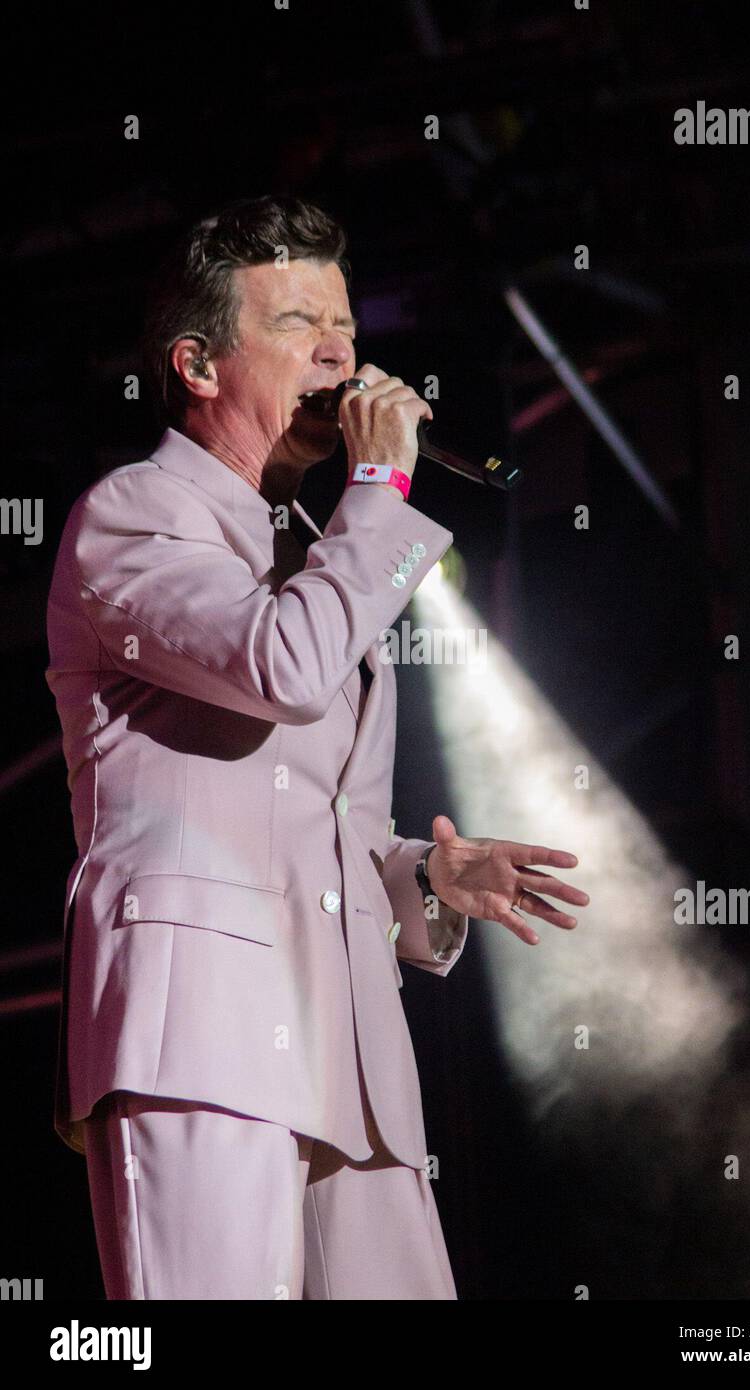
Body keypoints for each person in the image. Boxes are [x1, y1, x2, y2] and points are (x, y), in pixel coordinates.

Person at [45, 194, 589, 1300]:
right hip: (199, 1036)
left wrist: (421, 875)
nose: (341, 351)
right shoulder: (133, 513)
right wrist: (381, 489)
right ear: (197, 365)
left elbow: (304, 819)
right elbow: (281, 669)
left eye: (344, 323)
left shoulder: (316, 546)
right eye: (298, 322)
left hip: (349, 1055)